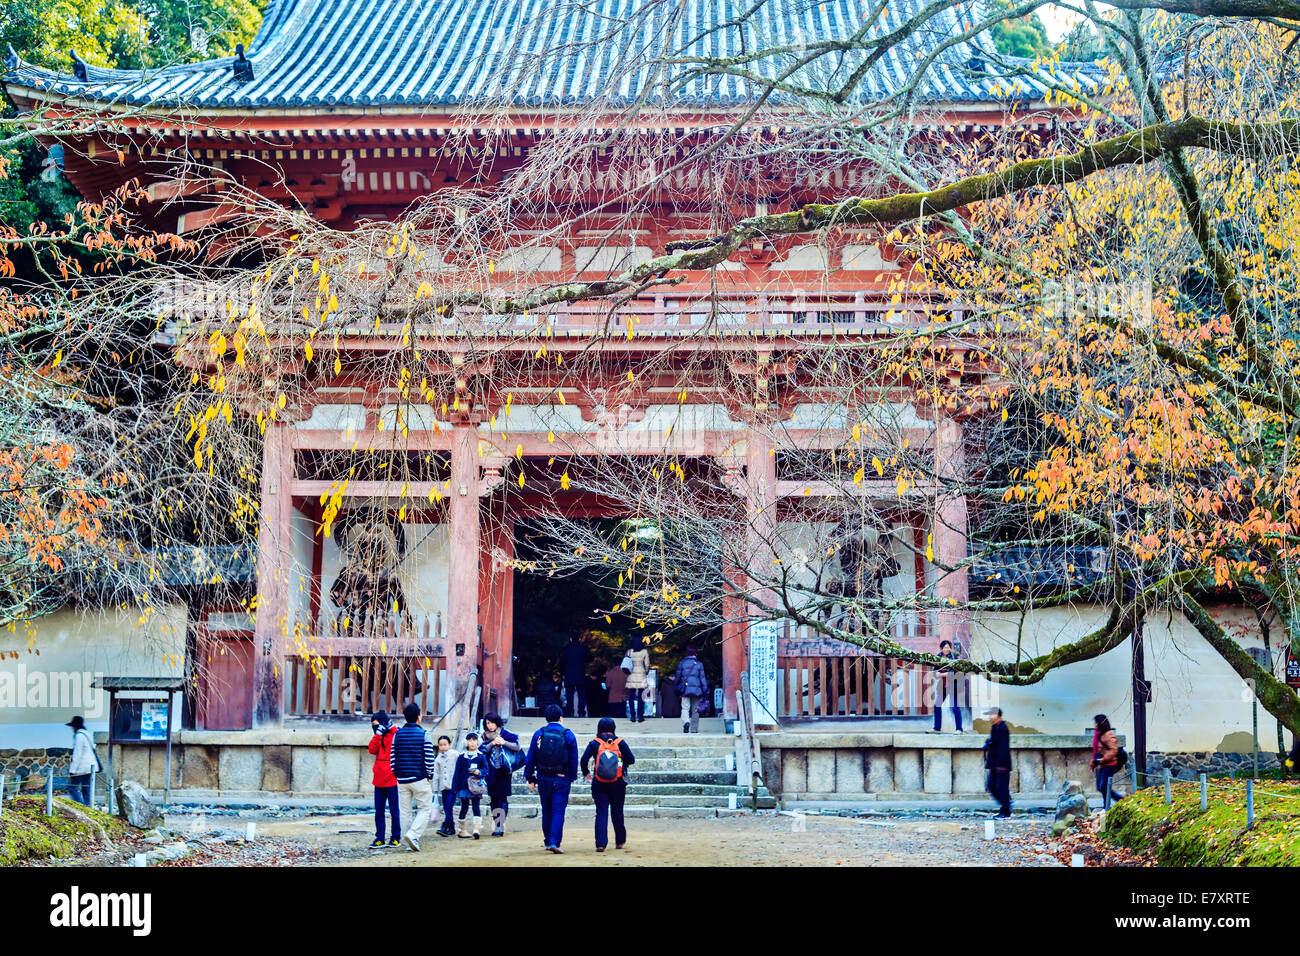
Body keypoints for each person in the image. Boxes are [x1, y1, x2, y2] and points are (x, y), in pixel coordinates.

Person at [524, 703, 579, 853]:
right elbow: (574, 759)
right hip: (561, 777)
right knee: (558, 811)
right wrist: (571, 776)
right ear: (561, 718)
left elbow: (531, 757)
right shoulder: (568, 734)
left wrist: (529, 777)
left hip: (543, 777)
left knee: (546, 809)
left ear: (546, 718)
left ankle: (548, 841)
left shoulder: (539, 734)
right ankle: (555, 842)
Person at [581, 717, 636, 852]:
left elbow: (583, 760)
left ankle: (601, 844)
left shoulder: (595, 743)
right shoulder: (620, 742)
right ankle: (620, 841)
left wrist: (586, 773)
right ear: (613, 728)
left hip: (599, 783)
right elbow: (631, 759)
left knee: (601, 812)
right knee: (617, 812)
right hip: (618, 783)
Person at [389, 702, 437, 851]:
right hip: (420, 778)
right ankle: (413, 834)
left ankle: (408, 843)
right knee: (424, 808)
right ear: (419, 717)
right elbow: (429, 758)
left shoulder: (397, 734)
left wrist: (396, 774)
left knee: (405, 811)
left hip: (402, 779)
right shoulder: (424, 734)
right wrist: (430, 774)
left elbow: (393, 758)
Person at [481, 713, 522, 836]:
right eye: (487, 723)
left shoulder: (506, 733)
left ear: (497, 722)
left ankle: (500, 825)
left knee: (502, 797)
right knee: (494, 798)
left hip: (504, 771)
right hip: (491, 771)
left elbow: (517, 746)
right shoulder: (484, 736)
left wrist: (503, 742)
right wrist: (492, 743)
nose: (490, 726)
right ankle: (496, 823)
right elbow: (482, 750)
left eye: (492, 723)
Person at [367, 710, 400, 848]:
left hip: (392, 779)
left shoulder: (395, 733)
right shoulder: (378, 736)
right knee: (379, 811)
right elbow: (372, 750)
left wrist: (390, 729)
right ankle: (379, 837)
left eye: (376, 725)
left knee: (394, 810)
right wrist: (378, 735)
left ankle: (396, 837)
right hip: (379, 779)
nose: (375, 728)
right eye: (373, 726)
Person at [452, 732, 489, 838]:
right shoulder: (461, 757)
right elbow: (457, 773)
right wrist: (455, 788)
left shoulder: (481, 756)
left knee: (476, 807)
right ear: (466, 742)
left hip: (475, 786)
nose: (472, 743)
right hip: (463, 786)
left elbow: (486, 770)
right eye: (469, 740)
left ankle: (476, 829)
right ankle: (462, 830)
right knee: (464, 808)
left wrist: (479, 772)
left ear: (478, 742)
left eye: (474, 740)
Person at [983, 706, 1012, 818]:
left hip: (1001, 765)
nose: (989, 717)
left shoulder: (1003, 728)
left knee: (1001, 788)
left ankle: (1006, 810)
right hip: (995, 764)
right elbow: (994, 742)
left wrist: (1001, 766)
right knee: (991, 786)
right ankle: (1006, 806)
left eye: (991, 715)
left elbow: (1003, 748)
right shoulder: (995, 727)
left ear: (996, 715)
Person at [673, 645, 709, 734]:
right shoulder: (699, 664)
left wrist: (676, 686)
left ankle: (686, 722)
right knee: (696, 709)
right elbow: (702, 679)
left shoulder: (682, 663)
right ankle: (694, 729)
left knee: (685, 708)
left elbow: (678, 677)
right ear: (695, 653)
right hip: (697, 690)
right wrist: (705, 690)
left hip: (685, 689)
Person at [65, 715, 99, 806]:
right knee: (86, 789)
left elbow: (77, 754)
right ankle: (88, 807)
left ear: (75, 727)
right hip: (91, 766)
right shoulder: (87, 734)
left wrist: (72, 770)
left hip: (82, 767)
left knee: (71, 787)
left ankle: (80, 805)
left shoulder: (79, 736)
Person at [1091, 714, 1124, 808]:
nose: (1094, 725)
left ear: (1100, 724)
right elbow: (1097, 751)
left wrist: (1102, 759)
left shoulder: (1109, 735)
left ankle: (1110, 805)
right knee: (1100, 787)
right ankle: (1112, 803)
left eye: (1096, 723)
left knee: (1103, 786)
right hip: (1103, 764)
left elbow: (1113, 751)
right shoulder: (1099, 735)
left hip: (1110, 764)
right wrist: (1093, 762)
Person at [932, 640, 964, 733]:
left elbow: (957, 673)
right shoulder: (938, 657)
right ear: (941, 648)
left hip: (953, 685)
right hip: (943, 685)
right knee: (937, 705)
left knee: (955, 707)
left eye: (948, 647)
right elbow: (935, 672)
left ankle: (959, 729)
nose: (947, 649)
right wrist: (937, 674)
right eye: (945, 647)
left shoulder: (954, 657)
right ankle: (937, 728)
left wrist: (943, 674)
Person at [433, 735, 458, 837]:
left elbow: (460, 769)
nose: (443, 747)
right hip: (444, 787)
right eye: (441, 745)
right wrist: (435, 789)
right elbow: (436, 774)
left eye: (445, 744)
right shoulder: (438, 759)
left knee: (448, 806)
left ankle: (444, 826)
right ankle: (451, 828)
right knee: (446, 807)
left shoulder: (455, 755)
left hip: (453, 786)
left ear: (449, 745)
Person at [560, 635, 591, 718]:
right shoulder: (583, 648)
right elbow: (589, 658)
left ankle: (570, 711)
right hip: (580, 674)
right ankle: (581, 711)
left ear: (570, 638)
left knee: (569, 694)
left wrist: (562, 673)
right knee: (581, 694)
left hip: (569, 674)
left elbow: (562, 661)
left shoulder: (566, 648)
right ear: (579, 639)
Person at [624, 641, 651, 723]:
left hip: (631, 673)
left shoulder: (629, 651)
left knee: (631, 695)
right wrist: (646, 671)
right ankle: (640, 715)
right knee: (641, 696)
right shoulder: (644, 652)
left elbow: (626, 662)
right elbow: (647, 664)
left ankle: (632, 715)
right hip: (641, 673)